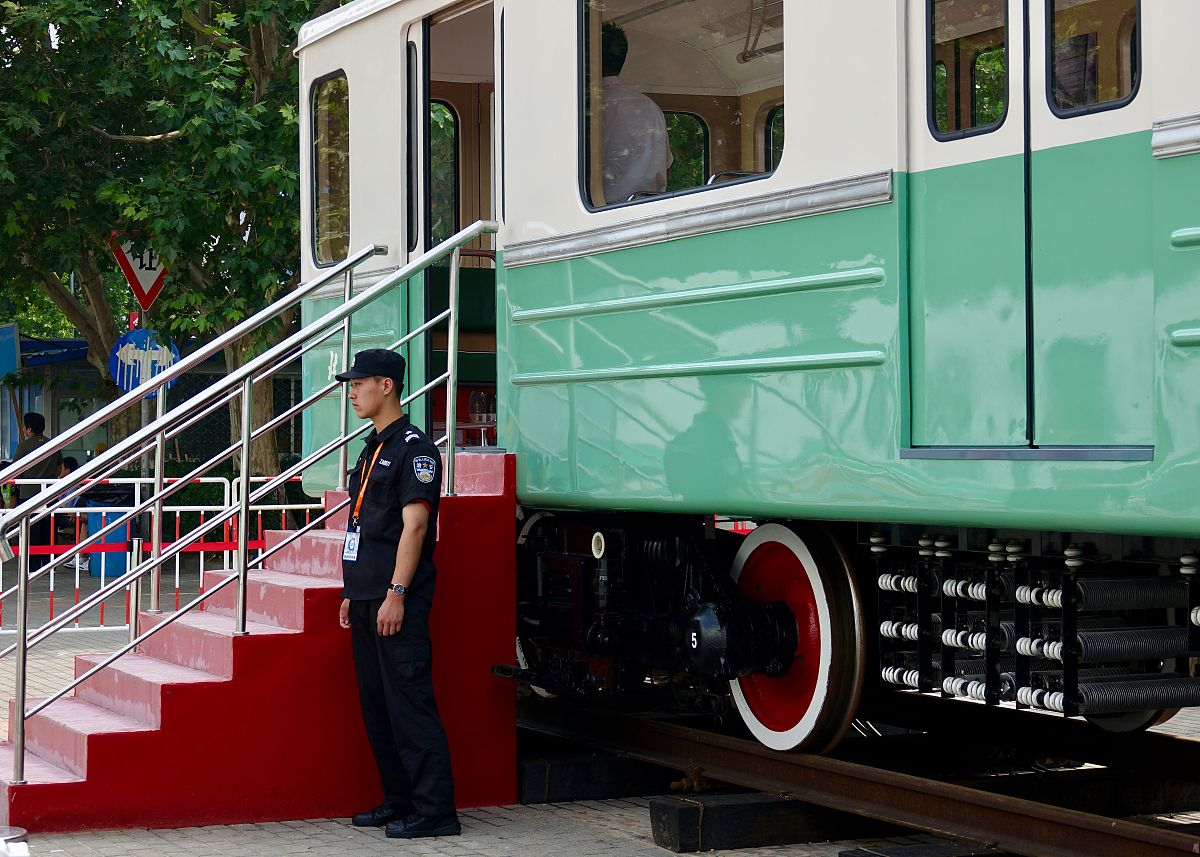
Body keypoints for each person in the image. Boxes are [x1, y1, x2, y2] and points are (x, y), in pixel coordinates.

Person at [335, 349, 460, 840]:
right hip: (367, 596)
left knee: (409, 704)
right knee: (377, 705)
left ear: (386, 386)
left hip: (394, 600)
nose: (351, 391)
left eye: (359, 383)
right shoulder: (373, 449)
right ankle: (399, 799)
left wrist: (395, 593)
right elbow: (364, 525)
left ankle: (436, 810)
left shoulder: (415, 449)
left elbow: (415, 527)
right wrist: (355, 591)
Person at [600, 21, 673, 204]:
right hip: (650, 208)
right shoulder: (650, 107)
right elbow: (666, 166)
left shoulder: (592, 108)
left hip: (602, 214)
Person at [12, 412, 62, 571]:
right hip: (49, 493)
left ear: (29, 429)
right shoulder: (52, 444)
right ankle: (49, 565)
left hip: (28, 495)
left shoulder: (23, 446)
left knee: (31, 531)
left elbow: (16, 471)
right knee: (48, 529)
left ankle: (31, 566)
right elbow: (59, 469)